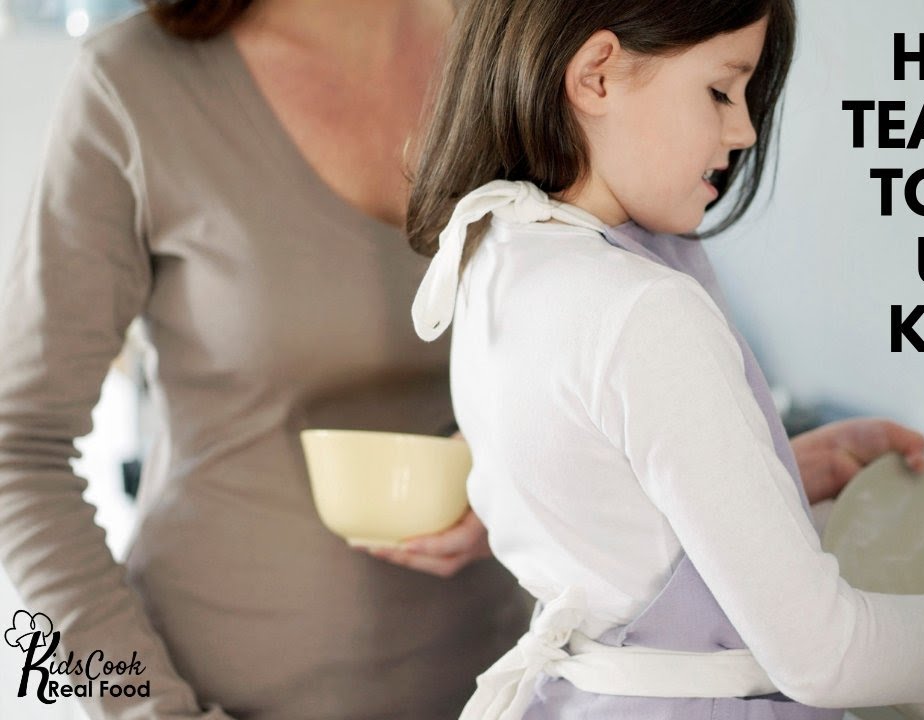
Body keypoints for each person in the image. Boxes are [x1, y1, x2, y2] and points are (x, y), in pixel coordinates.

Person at [404, 0, 924, 718]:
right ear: (597, 76)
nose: (743, 130)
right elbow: (824, 654)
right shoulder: (642, 310)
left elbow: (600, 512)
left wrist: (775, 471)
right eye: (720, 90)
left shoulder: (498, 254)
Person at [0, 2, 530, 718]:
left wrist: (515, 477)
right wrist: (144, 711)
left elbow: (585, 369)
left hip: (509, 691)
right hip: (220, 694)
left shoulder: (521, 47)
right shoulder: (132, 85)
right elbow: (19, 446)